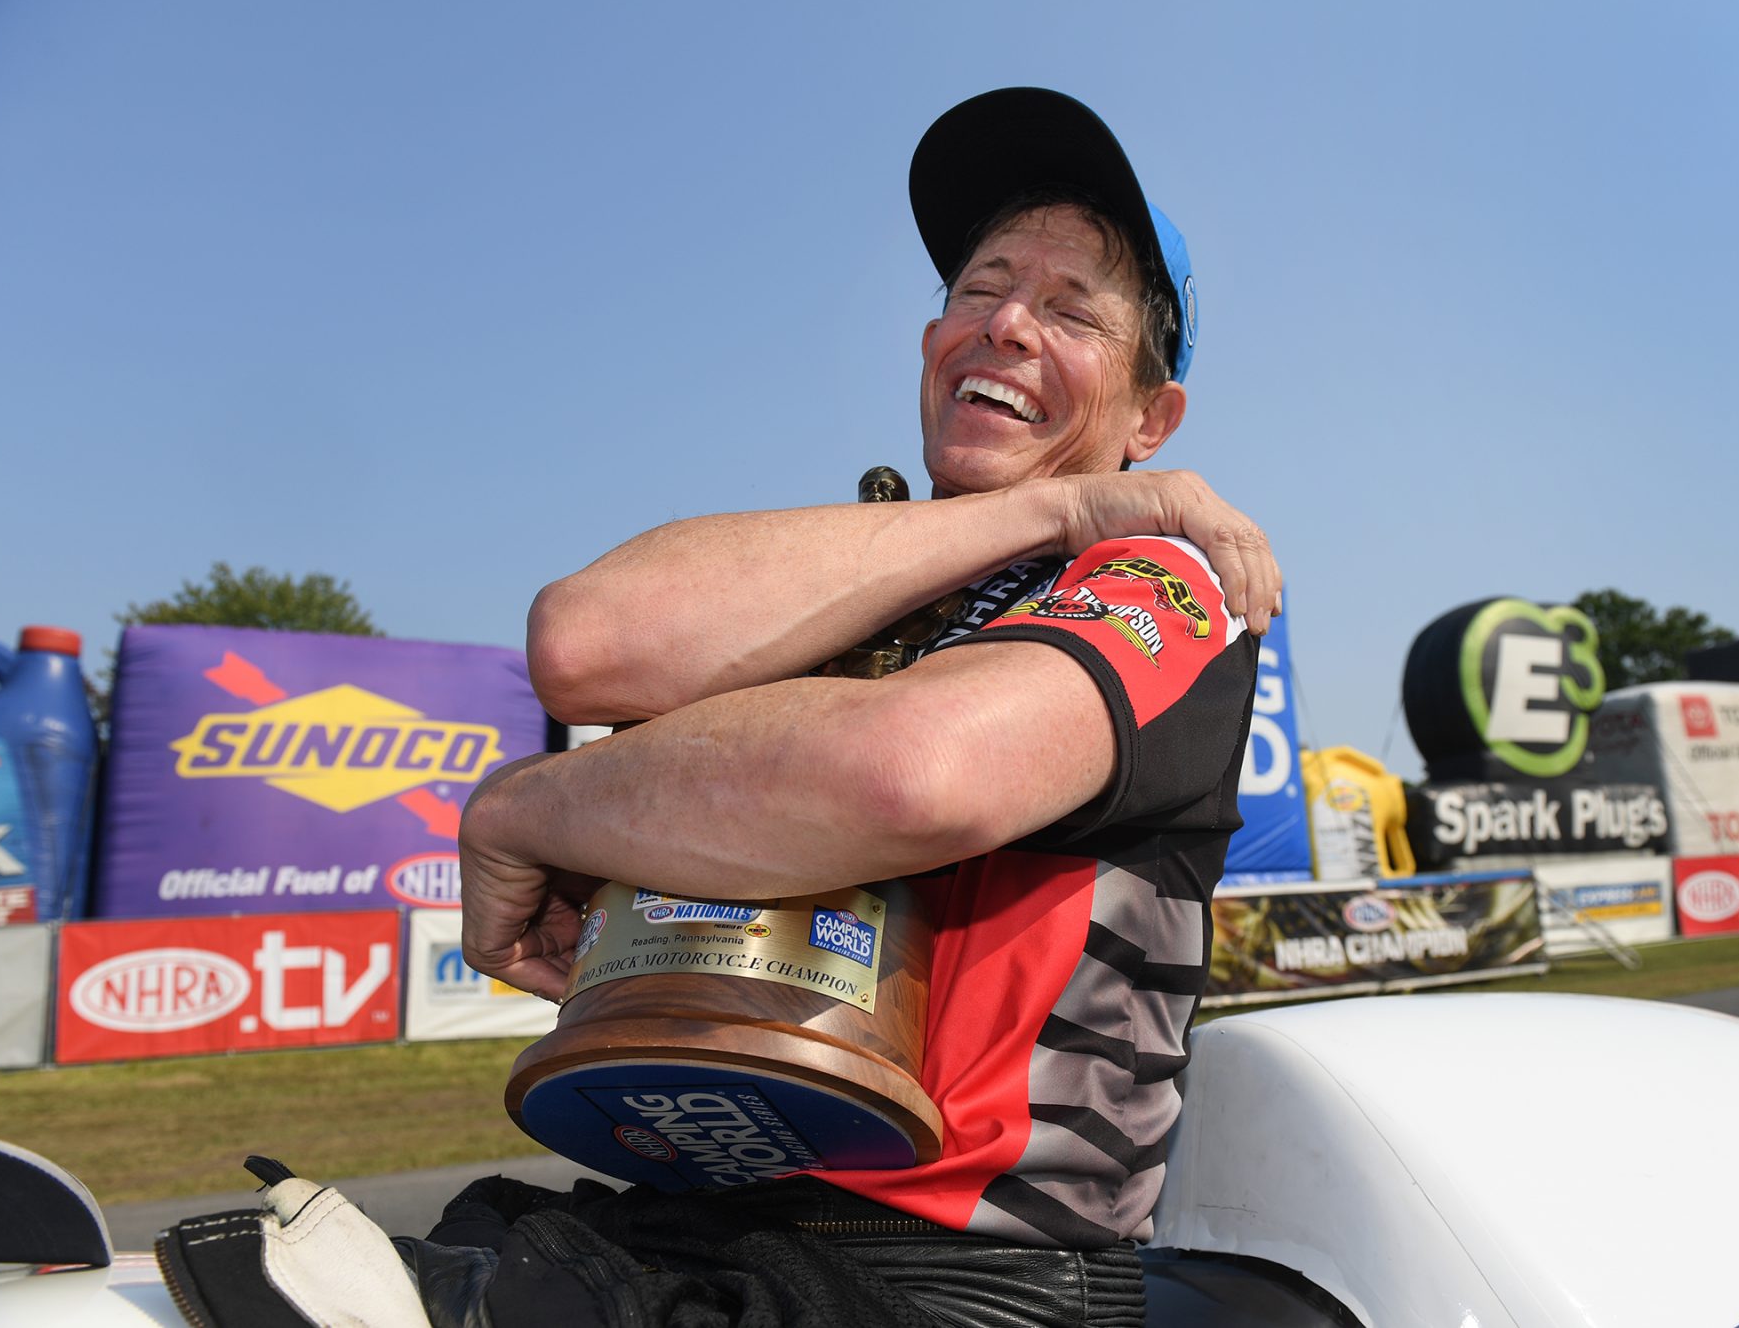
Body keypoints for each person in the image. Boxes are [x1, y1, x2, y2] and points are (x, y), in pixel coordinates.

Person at [454, 87, 1282, 1328]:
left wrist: (524, 809)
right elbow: (581, 642)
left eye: (1069, 311)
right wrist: (1036, 507)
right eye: (978, 287)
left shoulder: (1159, 575)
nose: (1003, 322)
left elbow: (909, 774)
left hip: (958, 1281)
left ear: (1149, 422)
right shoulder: (871, 555)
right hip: (695, 1228)